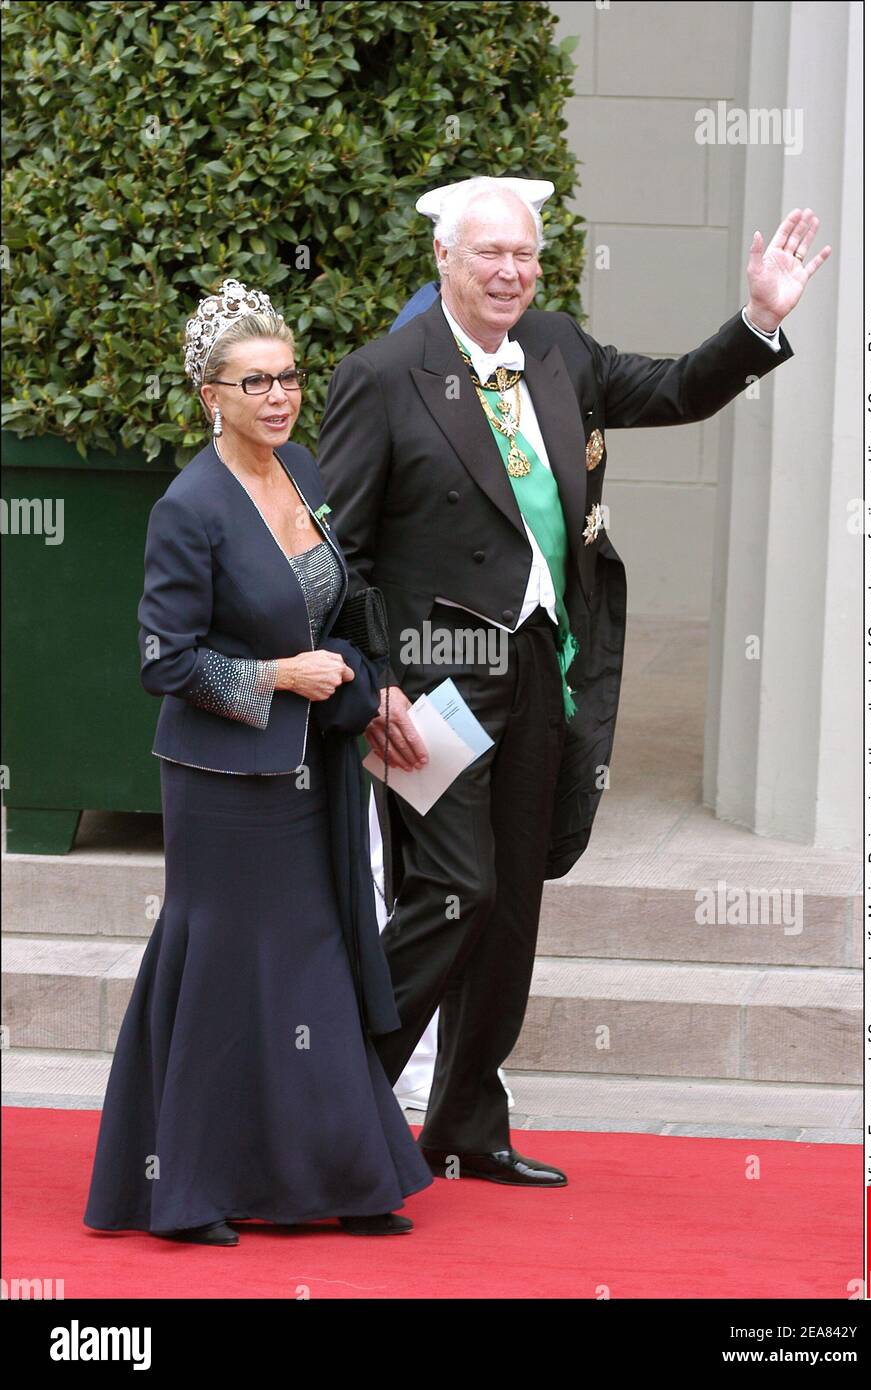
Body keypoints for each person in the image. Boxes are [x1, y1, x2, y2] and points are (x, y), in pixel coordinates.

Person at [316, 175, 831, 1186]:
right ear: (443, 262)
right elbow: (341, 551)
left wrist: (757, 322)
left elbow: (677, 388)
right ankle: (333, 1101)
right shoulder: (383, 374)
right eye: (488, 255)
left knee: (510, 904)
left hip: (538, 669)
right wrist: (368, 678)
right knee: (453, 890)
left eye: (523, 254)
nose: (509, 271)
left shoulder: (556, 347)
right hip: (434, 687)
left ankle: (465, 1120)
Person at [83, 279, 433, 1245]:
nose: (278, 397)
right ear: (213, 396)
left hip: (310, 771)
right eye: (254, 383)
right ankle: (185, 1187)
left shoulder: (306, 472)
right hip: (223, 787)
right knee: (230, 972)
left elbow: (345, 600)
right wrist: (277, 675)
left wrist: (374, 684)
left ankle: (346, 1175)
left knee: (312, 965)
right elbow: (164, 659)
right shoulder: (187, 506)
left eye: (286, 377)